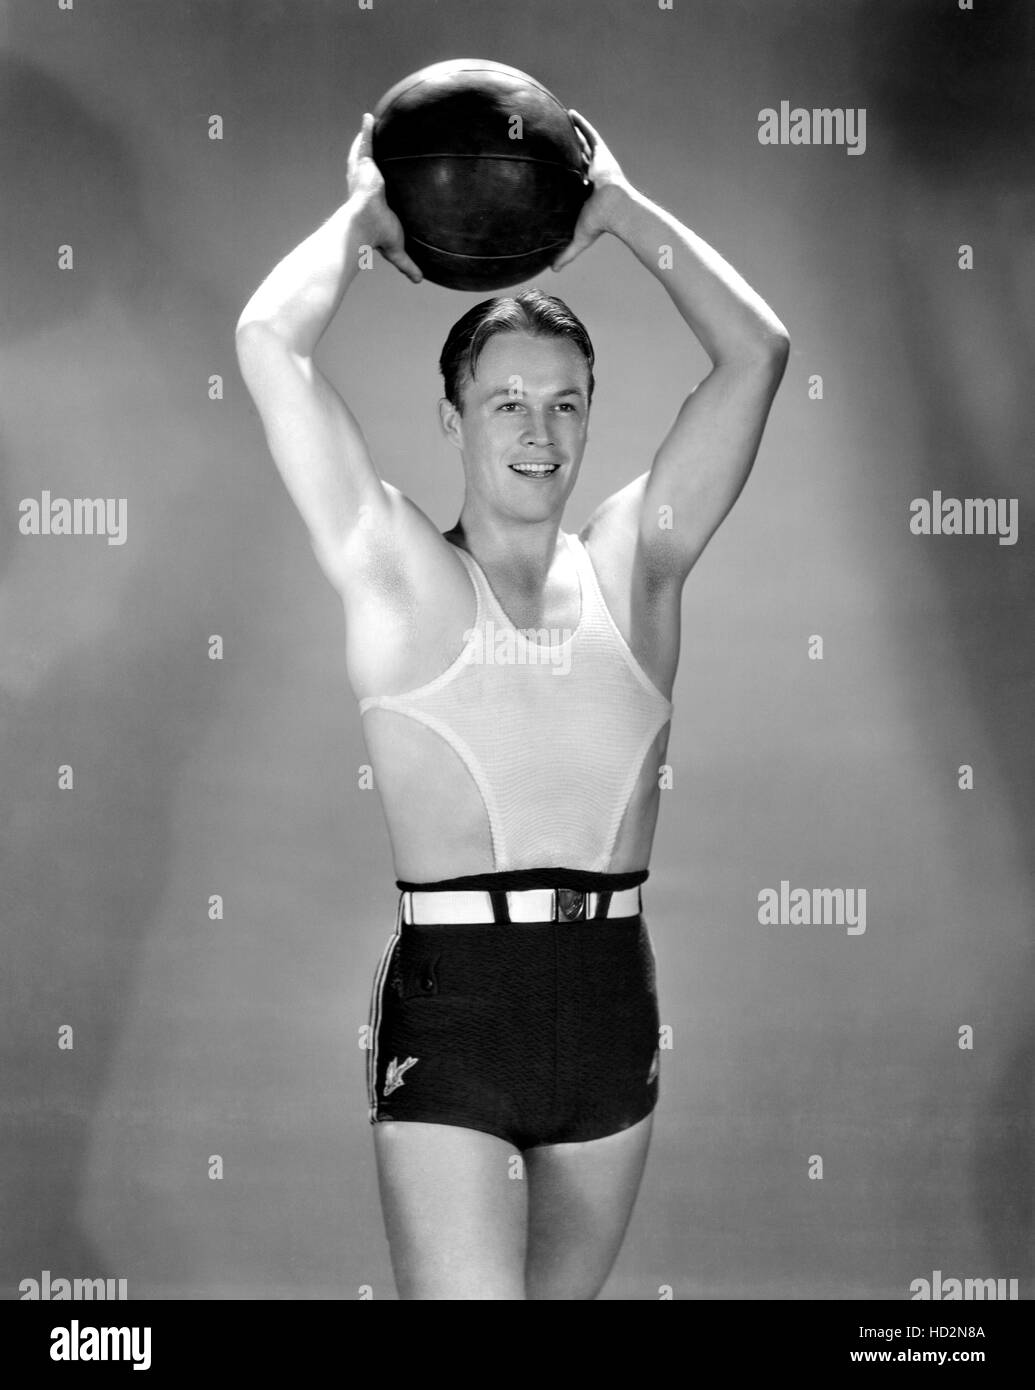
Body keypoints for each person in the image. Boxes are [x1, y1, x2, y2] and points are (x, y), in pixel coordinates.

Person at [235, 108, 789, 1300]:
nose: (539, 433)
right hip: (457, 1016)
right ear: (453, 416)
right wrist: (364, 217)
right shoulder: (396, 573)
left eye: (566, 403)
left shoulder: (638, 567)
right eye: (506, 403)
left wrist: (621, 209)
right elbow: (269, 342)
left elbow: (759, 352)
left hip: (609, 1008)